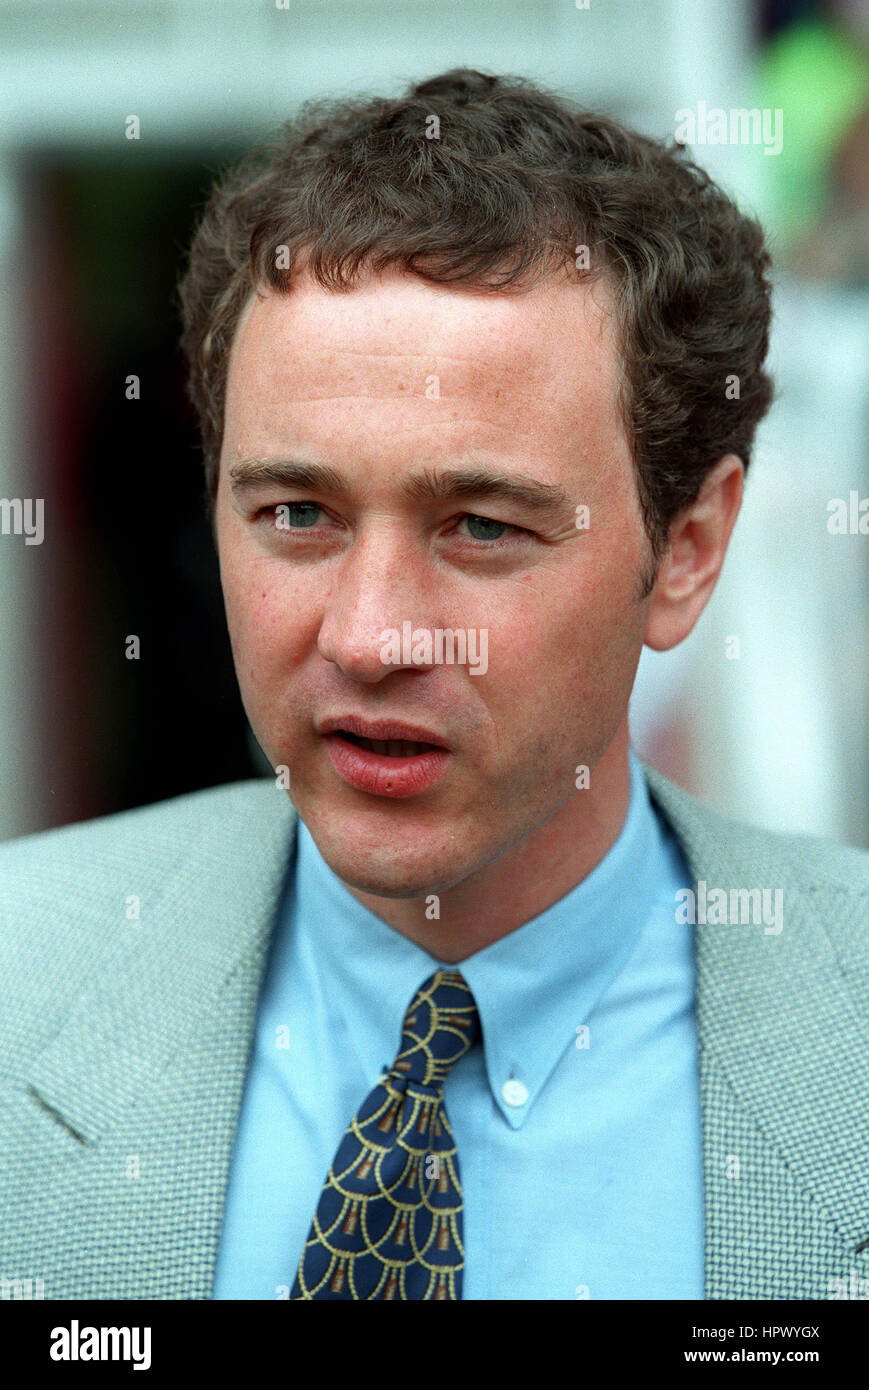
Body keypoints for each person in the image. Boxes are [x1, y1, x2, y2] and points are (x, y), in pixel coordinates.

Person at [1, 69, 866, 1303]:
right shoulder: (18, 976)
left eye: (479, 527)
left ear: (686, 547)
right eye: (296, 513)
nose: (368, 636)